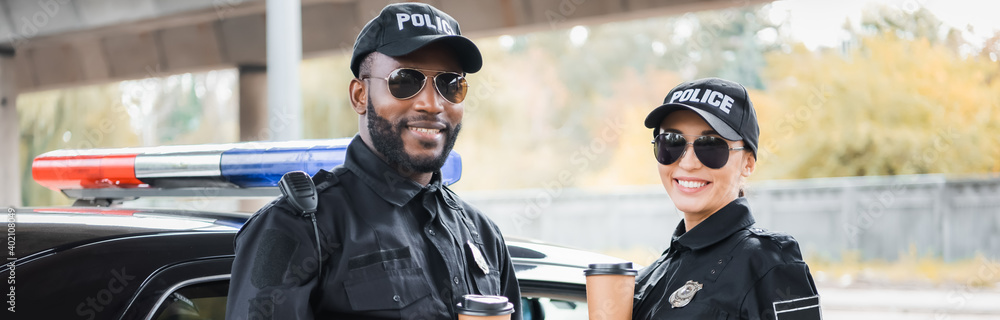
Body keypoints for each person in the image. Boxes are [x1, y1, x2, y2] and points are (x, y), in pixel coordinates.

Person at [226, 3, 522, 319]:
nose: (432, 104)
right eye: (405, 80)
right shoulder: (293, 228)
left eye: (450, 84)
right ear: (359, 96)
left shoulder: (482, 235)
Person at [631, 78, 821, 319]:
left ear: (748, 163)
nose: (688, 163)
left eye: (711, 146)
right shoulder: (649, 277)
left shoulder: (769, 264)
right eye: (671, 142)